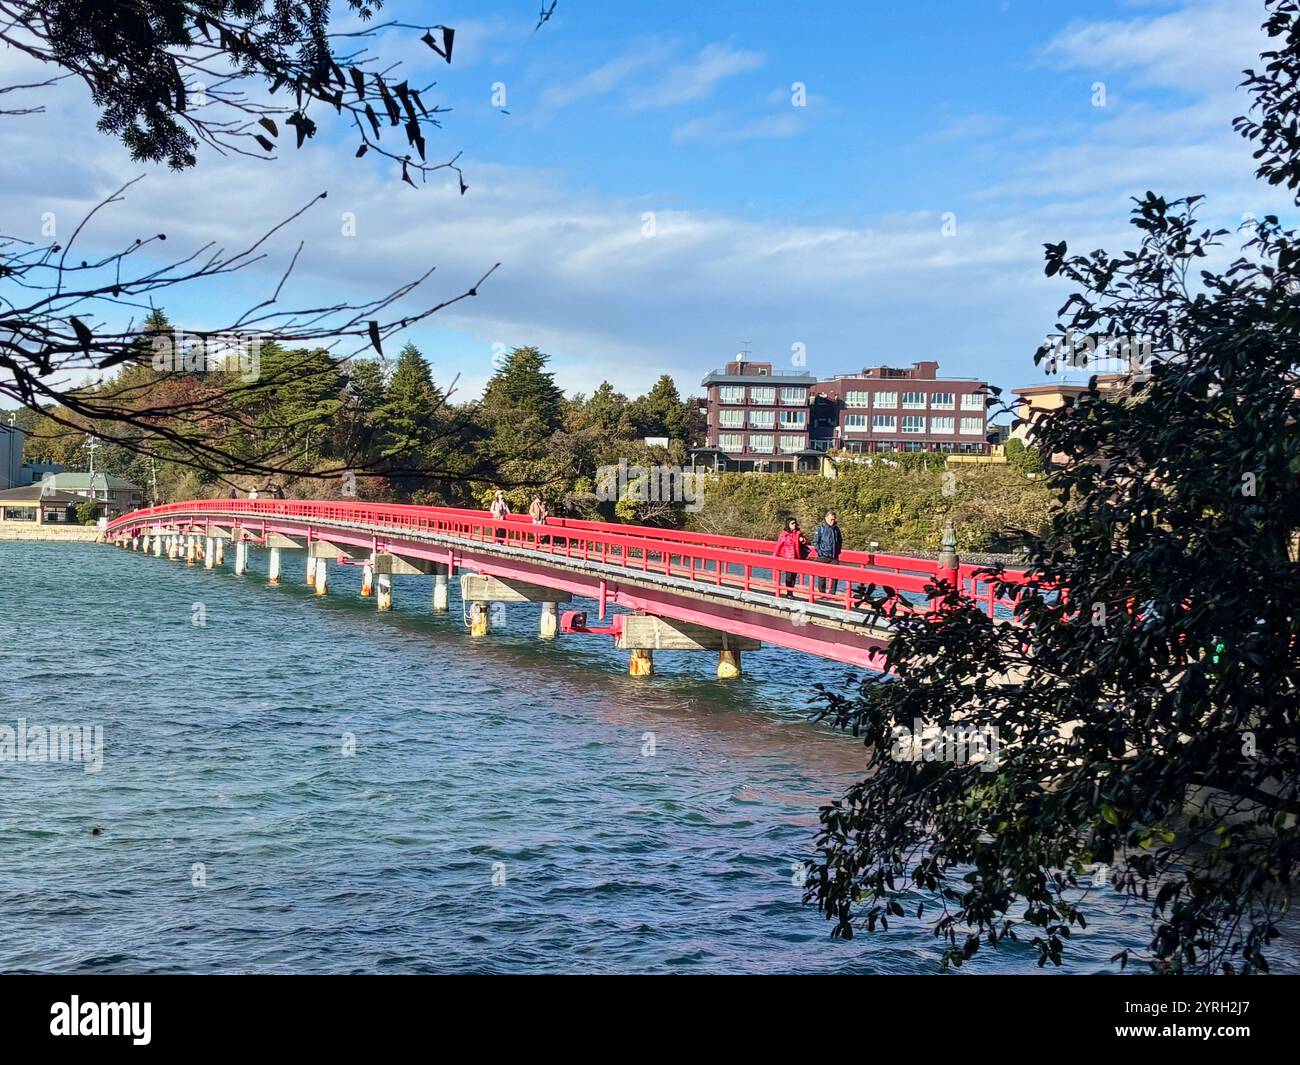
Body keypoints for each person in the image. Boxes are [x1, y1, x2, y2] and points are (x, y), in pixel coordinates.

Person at [772, 517, 808, 597]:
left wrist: (803, 540)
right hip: (787, 558)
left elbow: (805, 542)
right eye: (792, 523)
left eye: (795, 523)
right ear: (788, 524)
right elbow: (778, 546)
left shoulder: (798, 533)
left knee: (794, 576)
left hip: (796, 557)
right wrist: (775, 556)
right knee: (789, 576)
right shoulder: (784, 534)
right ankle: (789, 592)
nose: (794, 525)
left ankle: (791, 592)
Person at [811, 510, 844, 595]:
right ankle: (822, 592)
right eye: (830, 519)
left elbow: (840, 541)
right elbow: (815, 542)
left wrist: (838, 551)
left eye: (833, 519)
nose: (832, 521)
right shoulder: (821, 528)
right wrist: (820, 551)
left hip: (834, 555)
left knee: (835, 575)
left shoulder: (836, 529)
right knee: (822, 575)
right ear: (826, 518)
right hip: (823, 555)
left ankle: (832, 592)